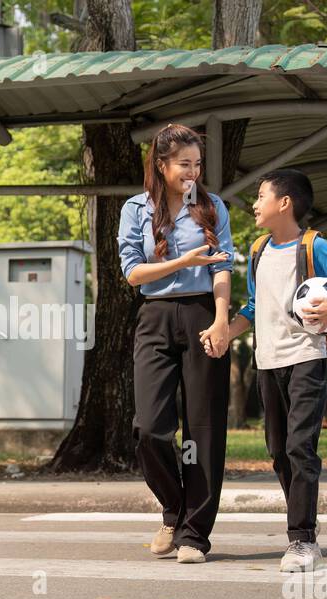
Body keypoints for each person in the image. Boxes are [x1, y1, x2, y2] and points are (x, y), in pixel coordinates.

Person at [216, 168, 327, 572]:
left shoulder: (315, 246)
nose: (254, 204)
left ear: (284, 203)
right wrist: (226, 332)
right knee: (279, 453)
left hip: (306, 359)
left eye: (261, 195)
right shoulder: (258, 250)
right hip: (267, 363)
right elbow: (252, 306)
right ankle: (304, 525)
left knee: (301, 448)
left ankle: (302, 540)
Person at [118, 123, 235, 565]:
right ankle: (174, 509)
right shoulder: (135, 208)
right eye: (184, 164)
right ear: (161, 165)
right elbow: (132, 273)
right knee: (149, 427)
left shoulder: (212, 207)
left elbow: (222, 267)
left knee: (204, 427)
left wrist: (223, 319)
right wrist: (183, 261)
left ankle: (194, 536)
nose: (193, 171)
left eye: (198, 164)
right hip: (155, 315)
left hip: (205, 312)